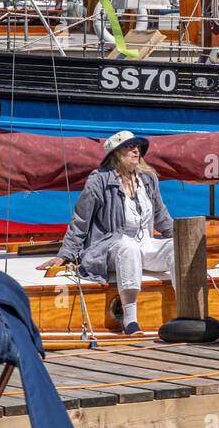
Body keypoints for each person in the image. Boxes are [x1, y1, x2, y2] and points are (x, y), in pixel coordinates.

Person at [37, 131, 173, 336]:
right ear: (116, 154)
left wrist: (187, 239)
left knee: (177, 247)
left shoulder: (148, 179)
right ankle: (130, 320)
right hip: (110, 246)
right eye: (129, 146)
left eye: (138, 146)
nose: (136, 150)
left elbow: (161, 217)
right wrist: (64, 255)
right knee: (128, 246)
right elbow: (80, 221)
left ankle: (185, 313)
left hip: (145, 243)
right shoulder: (99, 180)